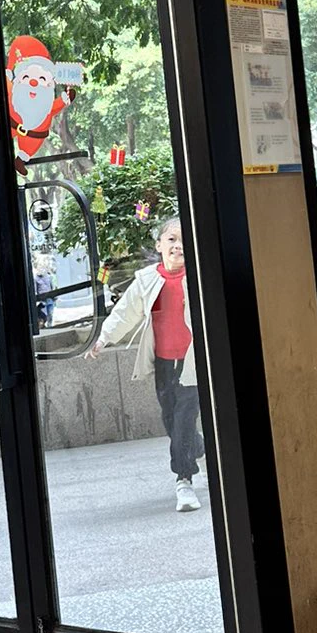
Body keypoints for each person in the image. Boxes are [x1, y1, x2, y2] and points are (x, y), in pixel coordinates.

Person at [86, 216, 203, 512]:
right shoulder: (148, 280)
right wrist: (103, 339)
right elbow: (125, 312)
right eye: (172, 239)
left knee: (184, 417)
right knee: (171, 418)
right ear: (159, 245)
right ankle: (198, 446)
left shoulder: (199, 276)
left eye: (184, 240)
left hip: (194, 362)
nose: (178, 246)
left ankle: (184, 480)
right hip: (163, 363)